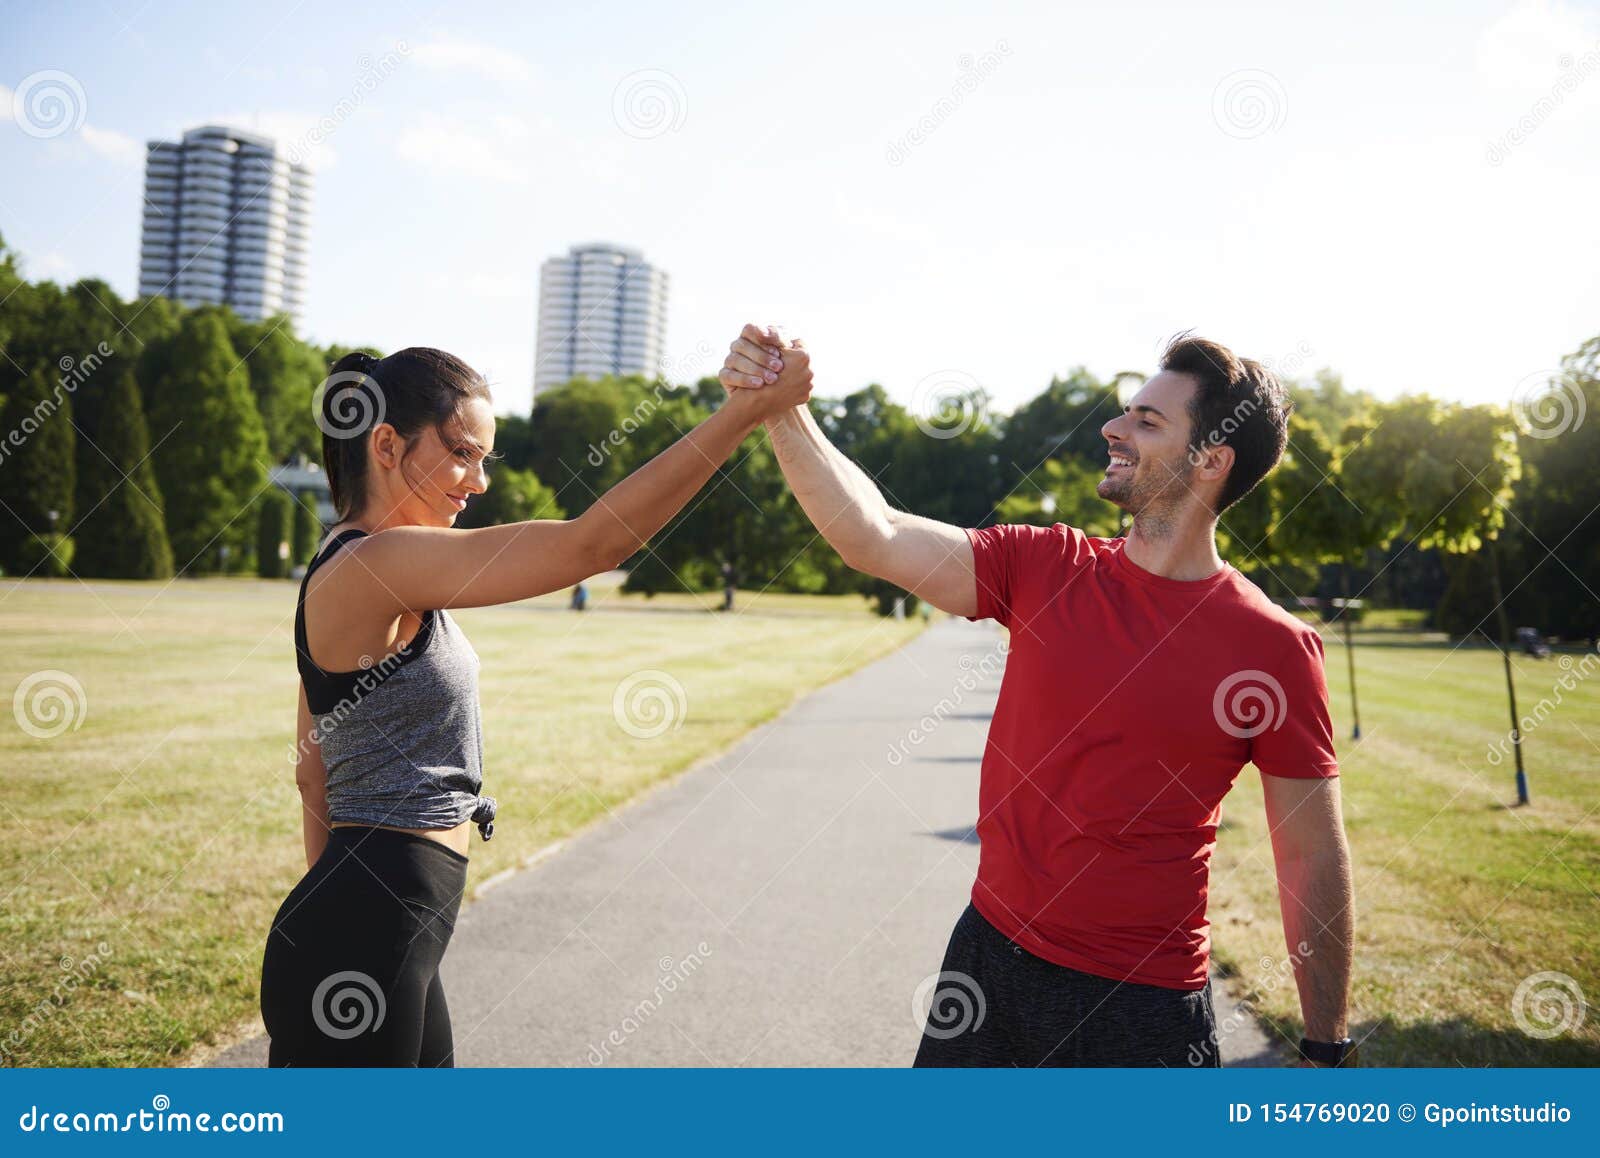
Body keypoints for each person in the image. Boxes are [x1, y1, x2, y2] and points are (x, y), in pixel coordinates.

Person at [720, 325, 1356, 1068]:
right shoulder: (1048, 565)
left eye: (1147, 421)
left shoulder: (1273, 648)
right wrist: (779, 410)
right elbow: (876, 534)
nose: (1114, 428)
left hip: (1139, 1011)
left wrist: (1325, 1047)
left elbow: (1309, 854)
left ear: (1211, 460)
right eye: (1127, 412)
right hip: (987, 962)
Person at [260, 344, 812, 1066]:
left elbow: (312, 775)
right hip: (369, 934)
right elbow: (594, 543)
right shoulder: (376, 565)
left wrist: (341, 916)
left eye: (485, 458)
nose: (479, 481)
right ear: (387, 445)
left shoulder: (353, 564)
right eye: (462, 453)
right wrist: (743, 416)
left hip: (379, 931)